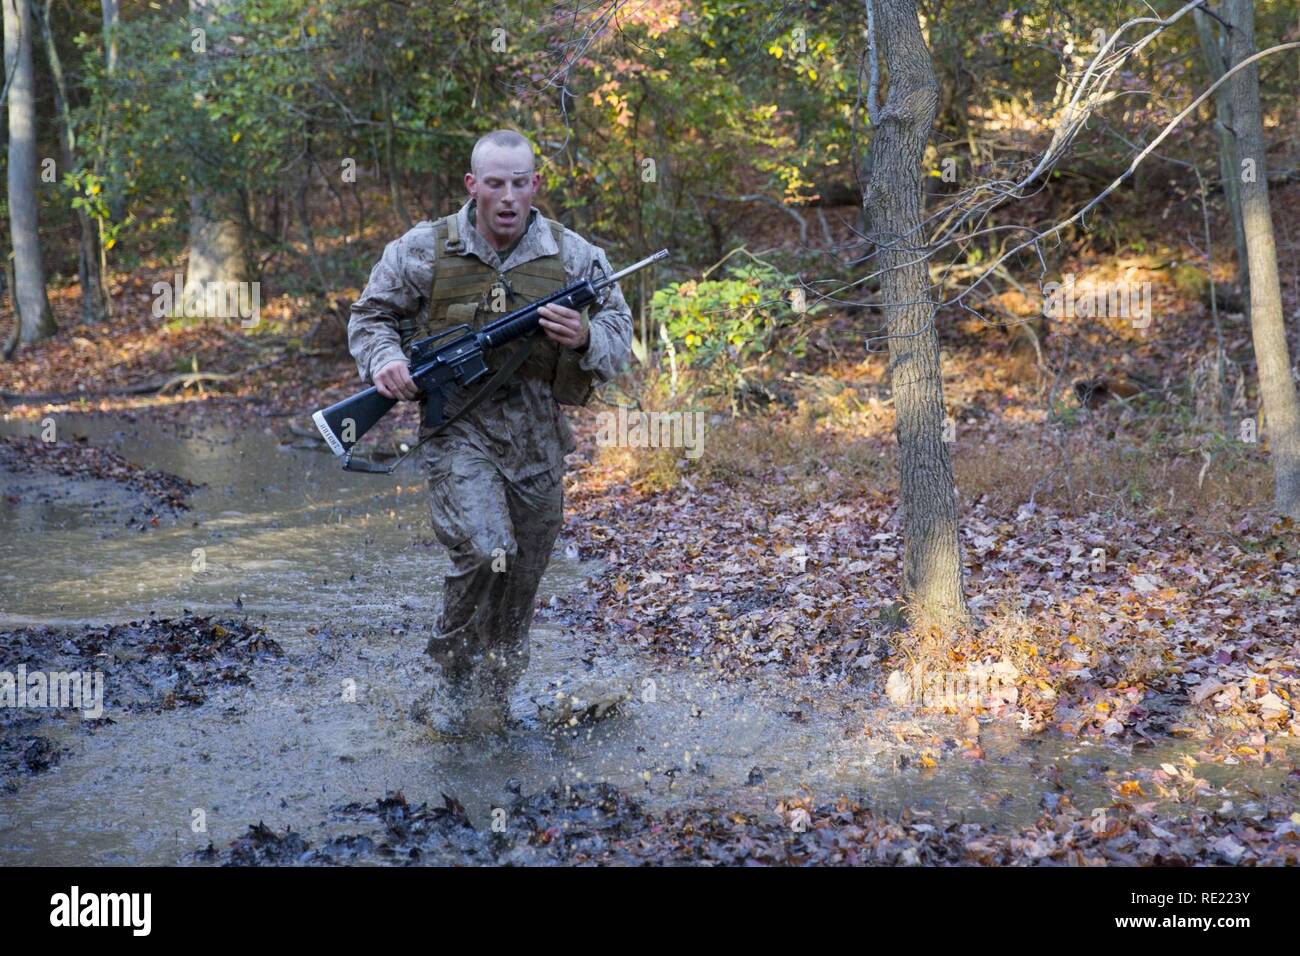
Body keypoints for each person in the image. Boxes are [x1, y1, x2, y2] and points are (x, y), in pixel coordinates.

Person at [347, 129, 633, 735]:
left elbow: (619, 332)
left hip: (538, 440)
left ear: (535, 185)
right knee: (486, 551)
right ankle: (450, 681)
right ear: (473, 186)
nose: (508, 197)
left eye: (519, 183)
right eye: (494, 184)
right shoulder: (424, 249)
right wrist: (384, 362)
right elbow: (371, 315)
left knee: (519, 584)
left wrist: (584, 337)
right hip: (459, 430)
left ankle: (495, 707)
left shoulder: (572, 255)